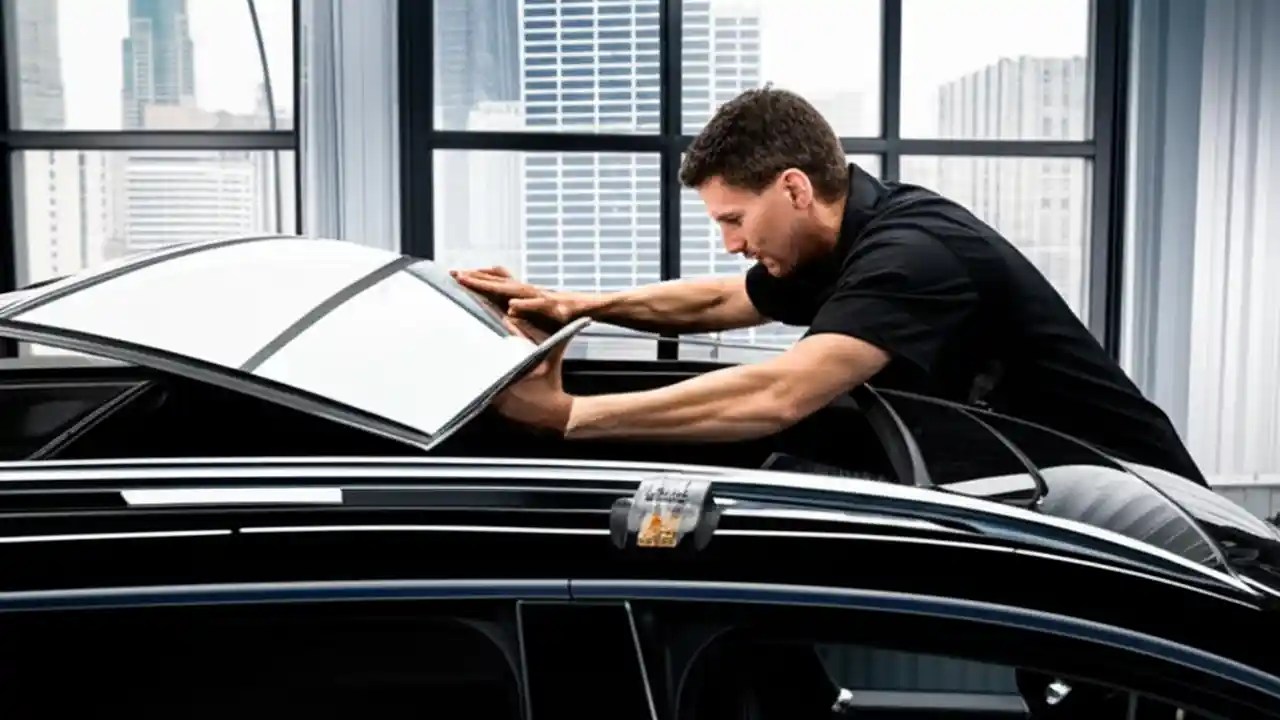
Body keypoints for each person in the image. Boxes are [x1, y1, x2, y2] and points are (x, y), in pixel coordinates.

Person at [452, 85, 1205, 488]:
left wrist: (566, 416)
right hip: (1053, 482)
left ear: (794, 188)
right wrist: (577, 304)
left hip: (1139, 500)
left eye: (736, 219)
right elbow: (722, 301)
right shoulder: (837, 241)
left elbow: (777, 395)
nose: (734, 242)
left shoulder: (911, 255)